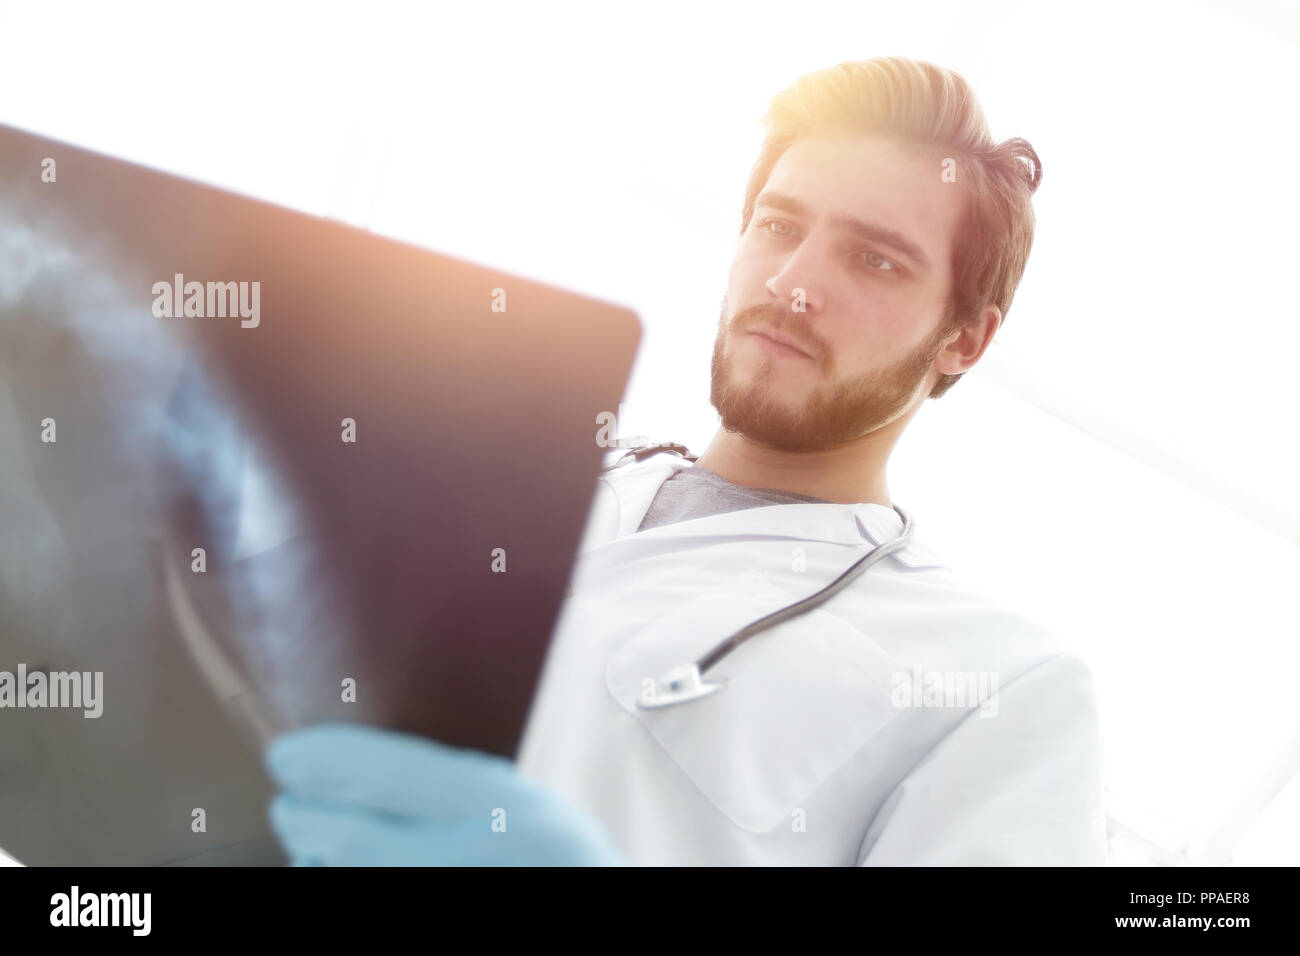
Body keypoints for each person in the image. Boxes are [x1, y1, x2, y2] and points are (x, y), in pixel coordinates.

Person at [267, 55, 1108, 866]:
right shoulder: (512, 485)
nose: (792, 283)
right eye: (779, 226)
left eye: (875, 259)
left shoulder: (998, 683)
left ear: (965, 339)